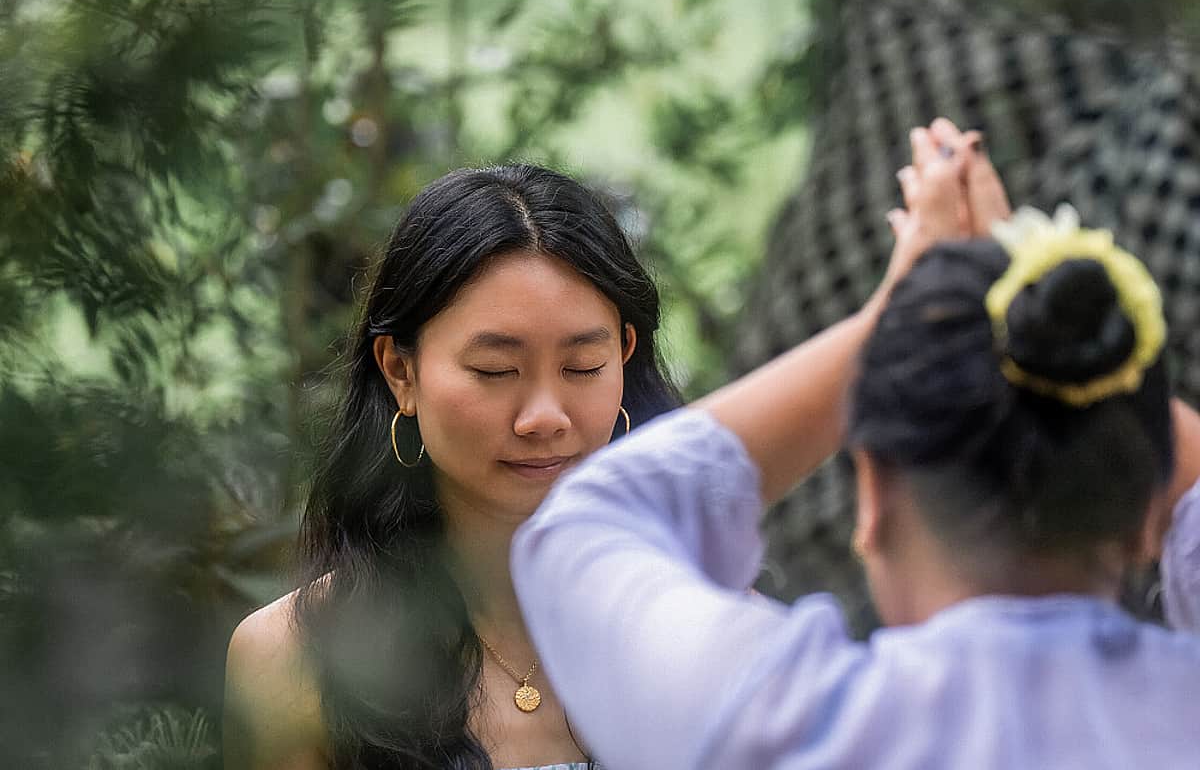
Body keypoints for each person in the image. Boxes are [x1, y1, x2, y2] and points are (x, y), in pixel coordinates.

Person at [512, 121, 1200, 768]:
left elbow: (593, 518)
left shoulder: (792, 724)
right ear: (1147, 510)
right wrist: (1065, 340)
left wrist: (900, 313)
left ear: (871, 495)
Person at [223, 164, 680, 769]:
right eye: (496, 370)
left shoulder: (700, 625)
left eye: (583, 367)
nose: (544, 416)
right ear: (400, 371)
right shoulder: (294, 657)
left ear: (623, 356)